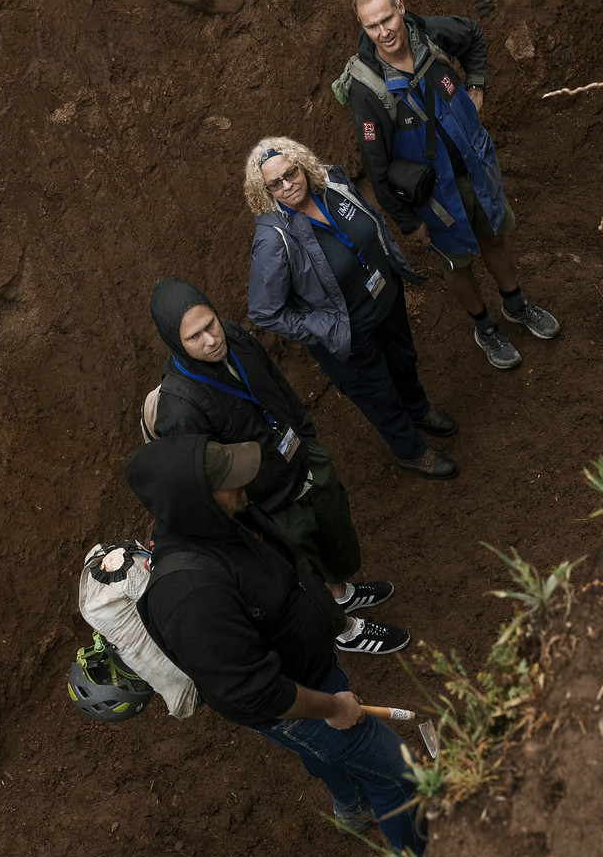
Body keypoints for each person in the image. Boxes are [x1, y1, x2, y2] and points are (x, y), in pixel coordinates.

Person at [128, 434, 428, 855]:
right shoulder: (191, 594)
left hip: (312, 669)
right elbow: (258, 691)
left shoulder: (229, 517)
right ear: (194, 499)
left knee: (328, 753)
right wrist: (334, 707)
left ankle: (354, 807)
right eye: (229, 481)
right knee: (400, 774)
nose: (243, 484)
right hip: (289, 703)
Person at [146, 276, 408, 655]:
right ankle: (346, 631)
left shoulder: (234, 337)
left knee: (334, 529)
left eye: (210, 324)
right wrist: (249, 520)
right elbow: (201, 484)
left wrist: (307, 436)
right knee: (301, 570)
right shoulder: (180, 408)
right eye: (195, 337)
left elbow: (277, 386)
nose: (211, 339)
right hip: (267, 503)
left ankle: (341, 593)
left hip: (301, 458)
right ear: (175, 342)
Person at [339, 0, 560, 370]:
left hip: (475, 167)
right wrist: (408, 223)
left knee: (494, 234)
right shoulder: (367, 89)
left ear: (401, 7)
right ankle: (484, 326)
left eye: (387, 18)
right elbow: (376, 167)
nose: (383, 32)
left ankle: (515, 304)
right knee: (457, 262)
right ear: (363, 26)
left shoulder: (429, 34)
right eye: (371, 26)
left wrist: (476, 83)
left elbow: (473, 35)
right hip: (434, 195)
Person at [245, 136, 460, 480]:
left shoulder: (332, 183)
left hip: (386, 302)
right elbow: (264, 311)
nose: (288, 185)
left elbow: (371, 224)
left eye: (291, 173)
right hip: (349, 332)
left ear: (302, 165)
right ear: (266, 190)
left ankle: (418, 410)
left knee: (404, 360)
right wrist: (321, 328)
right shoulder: (273, 239)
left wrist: (392, 269)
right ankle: (411, 450)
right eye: (276, 183)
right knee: (378, 392)